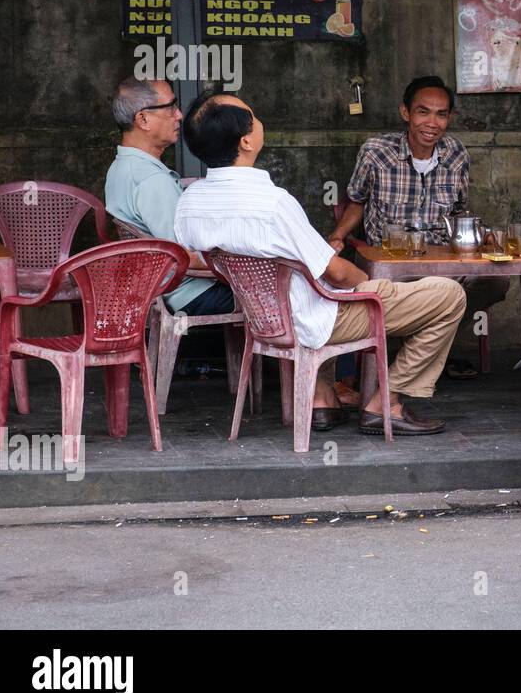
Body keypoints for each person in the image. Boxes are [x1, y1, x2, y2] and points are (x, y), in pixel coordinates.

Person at [174, 89, 466, 436]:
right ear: (247, 141)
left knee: (314, 292)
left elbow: (197, 258)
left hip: (264, 318)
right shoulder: (272, 203)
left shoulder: (190, 202)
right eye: (254, 116)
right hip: (316, 320)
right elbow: (336, 271)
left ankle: (322, 399)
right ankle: (387, 402)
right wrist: (371, 287)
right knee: (448, 295)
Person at [329, 75, 507, 379]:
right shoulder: (376, 152)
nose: (432, 123)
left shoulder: (456, 153)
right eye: (423, 112)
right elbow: (355, 201)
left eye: (441, 114)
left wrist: (480, 235)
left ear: (449, 117)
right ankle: (421, 353)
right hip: (392, 262)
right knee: (438, 292)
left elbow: (459, 210)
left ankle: (421, 347)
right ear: (406, 113)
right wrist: (337, 236)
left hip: (444, 259)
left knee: (495, 283)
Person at [104, 76, 235, 316]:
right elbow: (185, 255)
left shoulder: (121, 167)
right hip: (188, 293)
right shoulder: (150, 180)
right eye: (171, 107)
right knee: (279, 295)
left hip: (160, 290)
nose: (179, 115)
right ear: (143, 119)